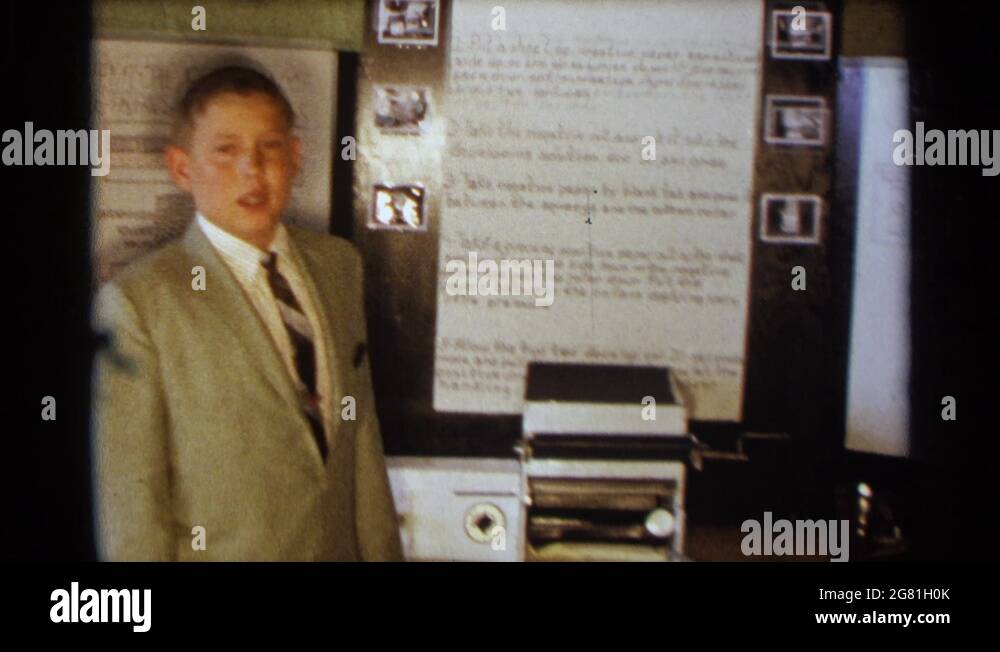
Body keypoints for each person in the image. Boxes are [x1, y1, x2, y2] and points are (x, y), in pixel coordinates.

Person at [92, 66, 402, 561]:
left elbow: (361, 445)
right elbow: (132, 505)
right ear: (181, 168)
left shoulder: (339, 267)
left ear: (296, 156)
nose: (252, 171)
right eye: (226, 151)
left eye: (270, 147)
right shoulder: (139, 304)